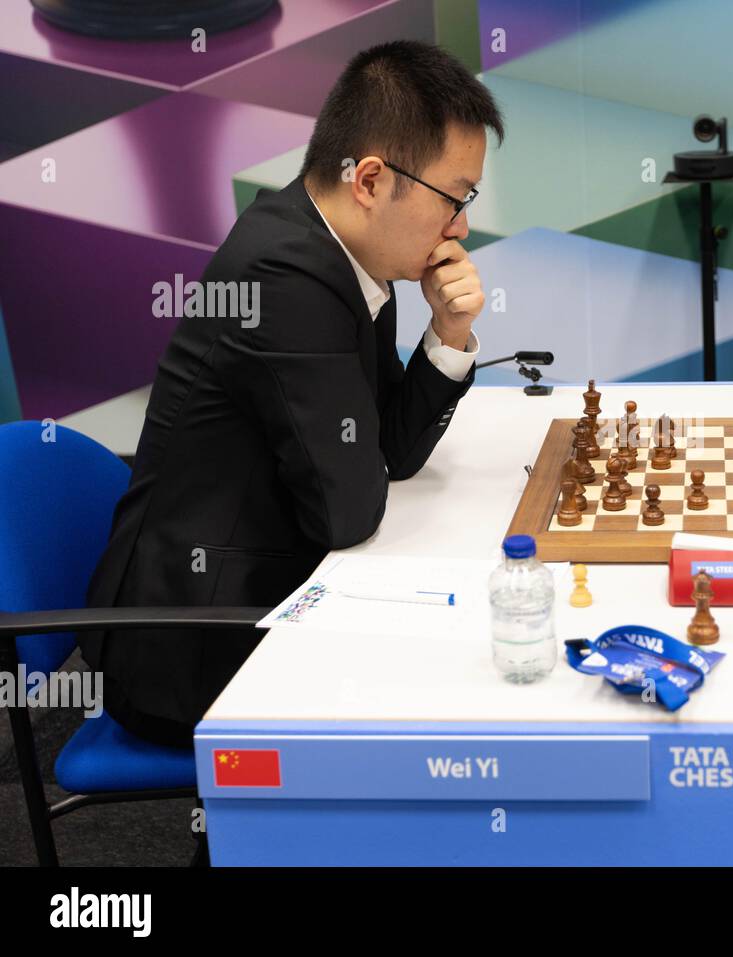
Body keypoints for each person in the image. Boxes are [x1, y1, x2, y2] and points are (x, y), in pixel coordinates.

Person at [80, 40, 504, 746]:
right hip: (187, 642)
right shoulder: (285, 278)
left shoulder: (344, 246)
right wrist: (367, 450)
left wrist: (450, 333)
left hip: (263, 579)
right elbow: (349, 512)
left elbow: (387, 454)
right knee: (448, 692)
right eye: (453, 198)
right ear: (369, 180)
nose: (460, 226)